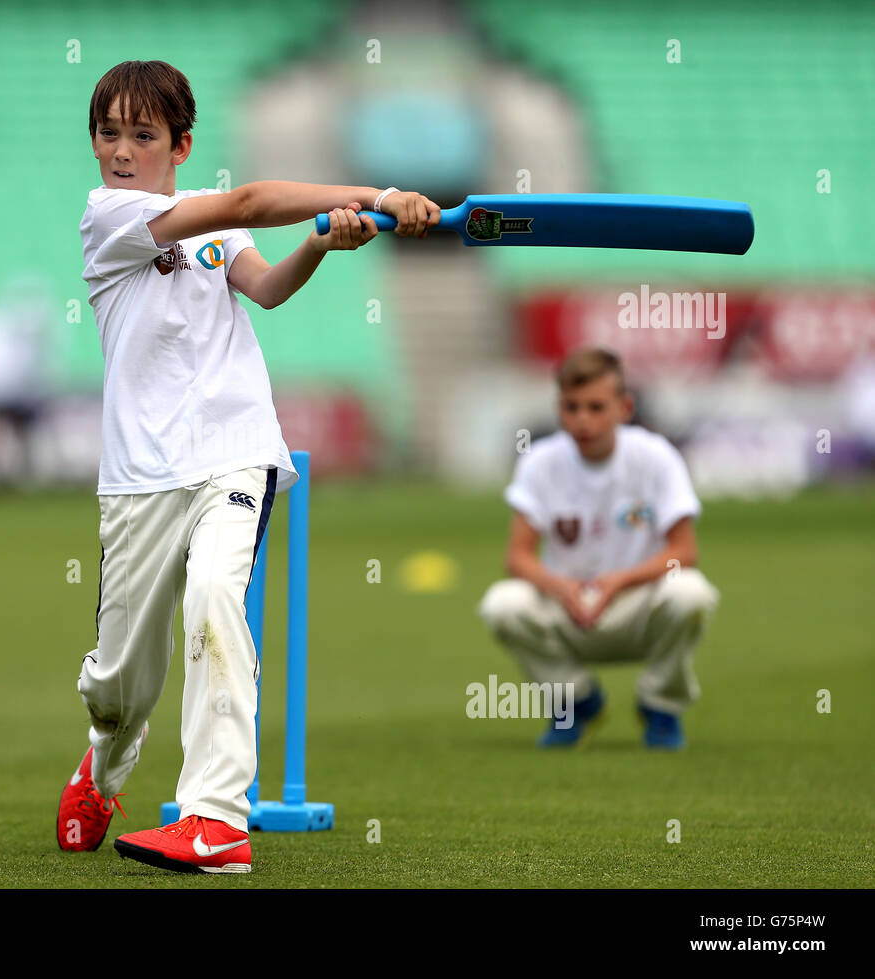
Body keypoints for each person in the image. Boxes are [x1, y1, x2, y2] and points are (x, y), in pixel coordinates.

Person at [57, 59, 440, 873]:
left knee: (213, 599)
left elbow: (264, 289)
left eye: (143, 135)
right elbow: (245, 200)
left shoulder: (214, 230)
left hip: (234, 452)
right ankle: (104, 763)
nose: (122, 151)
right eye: (109, 133)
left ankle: (214, 820)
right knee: (119, 684)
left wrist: (322, 241)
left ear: (181, 144)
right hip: (139, 478)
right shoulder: (109, 216)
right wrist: (374, 194)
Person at [477, 347, 719, 750]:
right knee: (503, 604)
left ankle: (660, 705)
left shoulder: (656, 457)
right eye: (572, 407)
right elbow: (516, 557)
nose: (583, 420)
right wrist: (562, 588)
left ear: (624, 408)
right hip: (570, 605)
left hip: (635, 603)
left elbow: (684, 552)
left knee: (690, 593)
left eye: (595, 407)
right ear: (558, 408)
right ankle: (576, 702)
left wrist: (618, 582)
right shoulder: (540, 461)